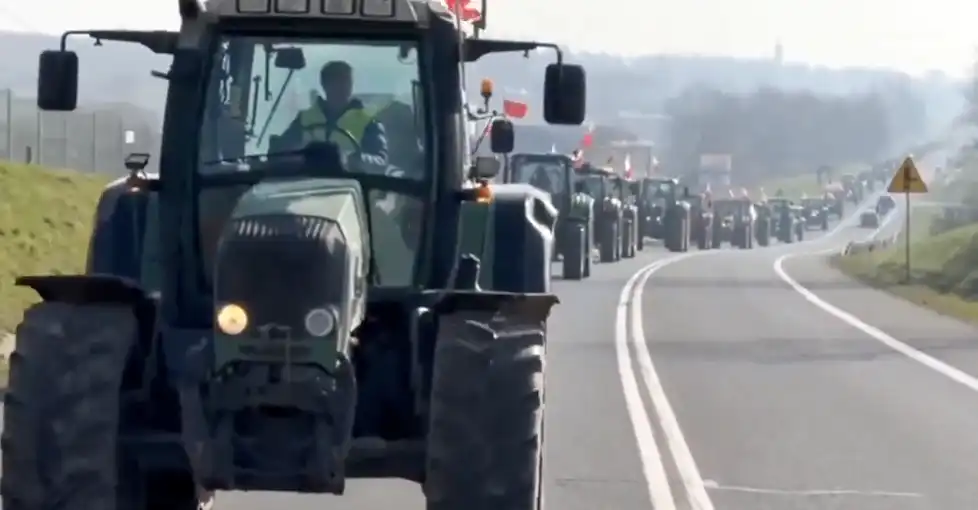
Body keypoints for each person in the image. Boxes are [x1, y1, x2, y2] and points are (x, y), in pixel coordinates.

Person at [276, 60, 388, 171]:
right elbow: (280, 151)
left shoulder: (367, 121)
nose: (343, 88)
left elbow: (380, 162)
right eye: (337, 82)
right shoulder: (304, 119)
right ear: (324, 85)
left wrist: (351, 158)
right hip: (307, 183)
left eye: (347, 82)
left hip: (352, 184)